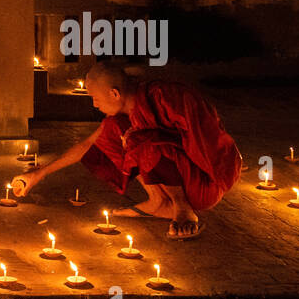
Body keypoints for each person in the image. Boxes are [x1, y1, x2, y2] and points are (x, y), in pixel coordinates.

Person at [13, 62, 242, 239]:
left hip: (205, 181)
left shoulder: (167, 98)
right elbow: (86, 146)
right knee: (115, 130)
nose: (94, 104)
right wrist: (39, 174)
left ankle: (181, 209)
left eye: (94, 97)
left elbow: (208, 143)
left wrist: (160, 145)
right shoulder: (127, 112)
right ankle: (159, 201)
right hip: (183, 175)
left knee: (139, 138)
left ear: (114, 94)